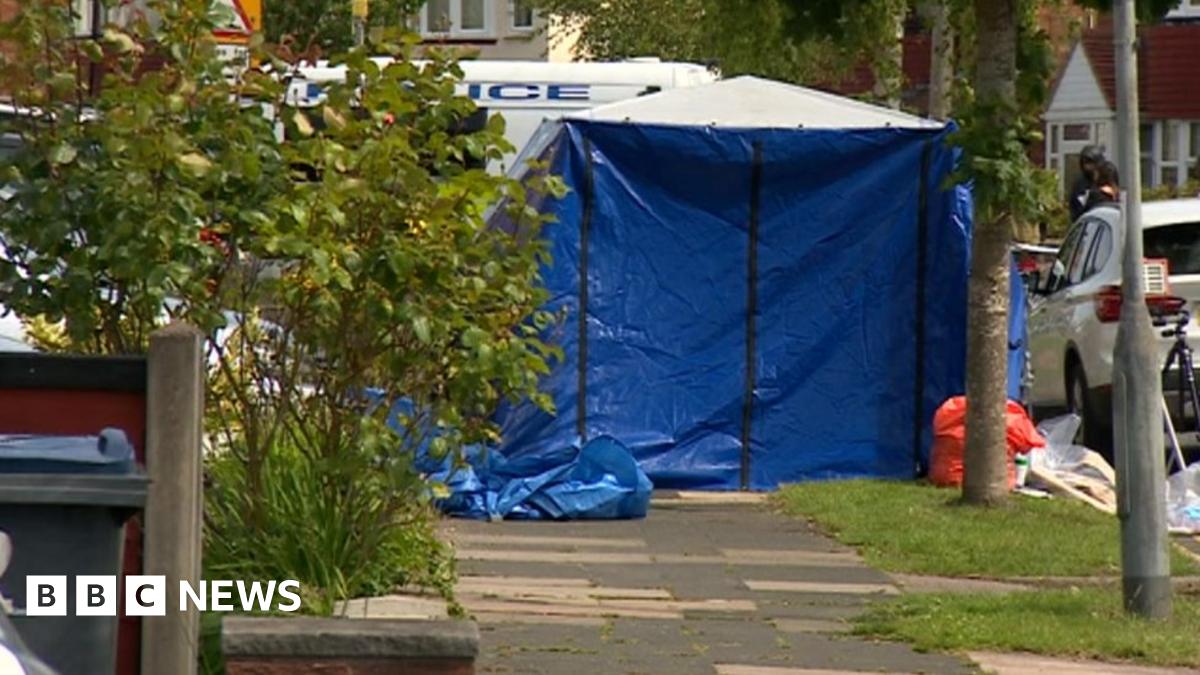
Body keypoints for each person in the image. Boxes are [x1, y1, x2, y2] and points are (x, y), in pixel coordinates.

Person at [1068, 145, 1106, 222]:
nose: (1087, 166)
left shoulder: (1107, 182)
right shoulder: (1080, 184)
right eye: (1085, 163)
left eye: (1090, 162)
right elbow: (1075, 209)